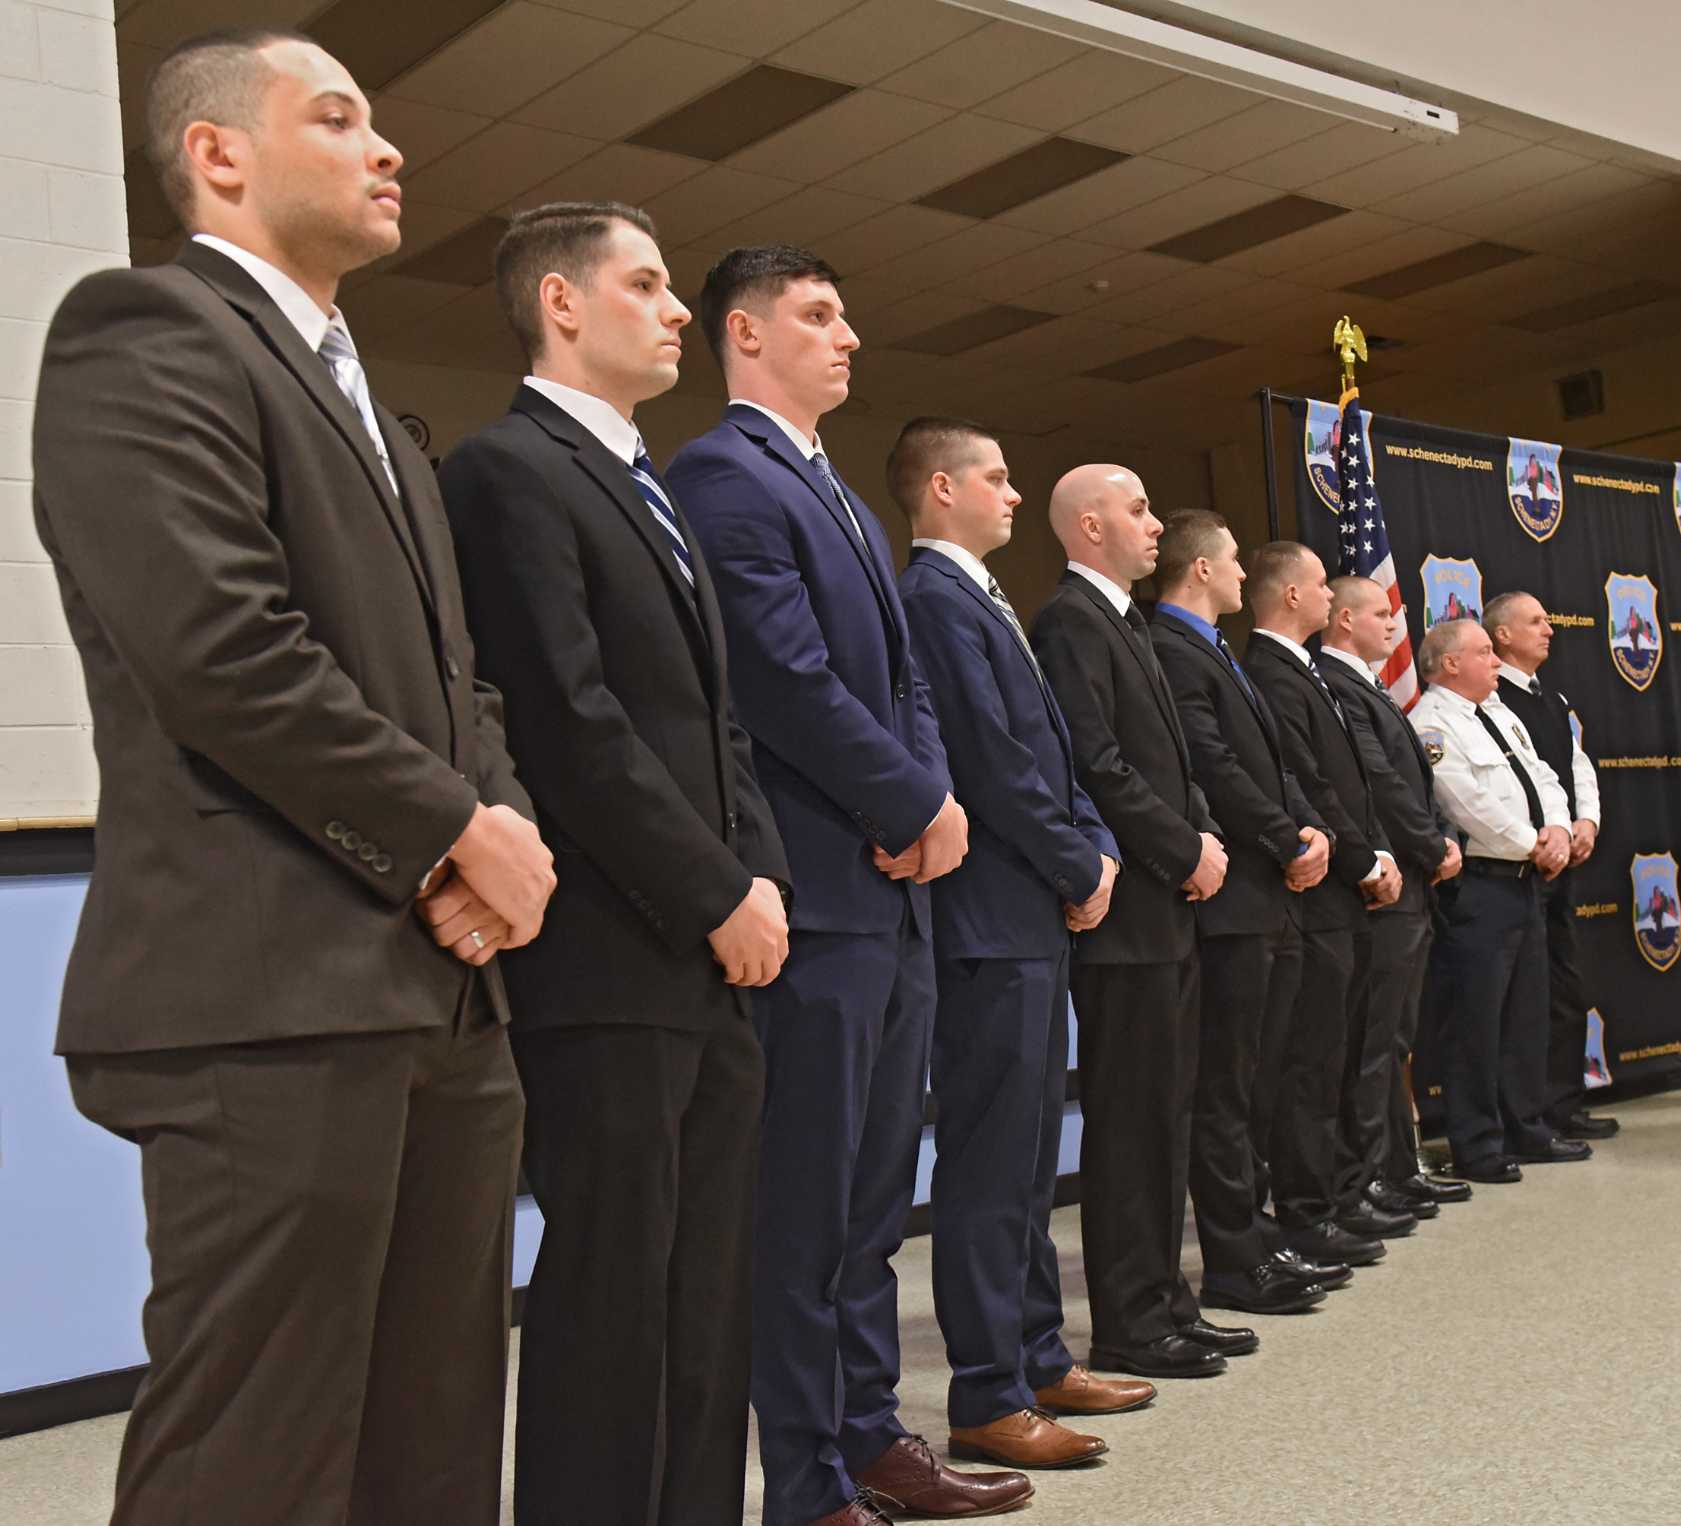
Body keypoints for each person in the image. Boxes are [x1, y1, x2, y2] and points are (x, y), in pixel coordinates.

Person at [30, 29, 556, 1523]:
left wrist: (501, 824)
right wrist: (456, 831)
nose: (389, 150)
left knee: (434, 1447)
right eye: (339, 118)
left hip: (442, 987)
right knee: (256, 1463)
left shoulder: (378, 410)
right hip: (270, 988)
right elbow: (220, 651)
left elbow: (466, 686)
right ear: (219, 155)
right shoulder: (144, 330)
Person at [437, 202, 792, 1525]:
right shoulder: (505, 472)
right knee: (611, 1310)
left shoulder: (653, 486)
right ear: (561, 304)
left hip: (710, 960)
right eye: (646, 282)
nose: (679, 309)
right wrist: (715, 893)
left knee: (708, 1309)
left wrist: (762, 886)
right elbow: (569, 723)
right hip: (610, 960)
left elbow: (717, 721)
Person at [666, 249, 1026, 1526]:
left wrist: (933, 802)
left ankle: (871, 1434)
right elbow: (782, 676)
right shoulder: (720, 475)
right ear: (744, 335)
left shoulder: (846, 500)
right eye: (819, 316)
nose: (848, 335)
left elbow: (905, 681)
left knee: (876, 1203)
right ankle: (806, 1478)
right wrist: (910, 804)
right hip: (815, 895)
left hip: (896, 890)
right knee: (806, 1209)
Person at [890, 418, 1155, 1471]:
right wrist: (1073, 862)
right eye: (995, 478)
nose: (1012, 493)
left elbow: (1054, 754)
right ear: (942, 488)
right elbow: (994, 764)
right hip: (988, 923)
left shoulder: (984, 598)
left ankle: (1037, 1353)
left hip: (1029, 915)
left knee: (1032, 1160)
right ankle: (986, 1393)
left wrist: (1090, 846)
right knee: (988, 1167)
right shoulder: (933, 598)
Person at [1031, 464, 1249, 1381]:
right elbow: (1100, 764)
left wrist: (1201, 827)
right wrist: (1182, 848)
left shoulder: (1127, 621)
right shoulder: (1069, 622)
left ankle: (1167, 1299)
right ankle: (1128, 1317)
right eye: (1136, 509)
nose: (1154, 524)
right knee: (1128, 1127)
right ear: (1088, 527)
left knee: (1169, 1113)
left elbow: (1171, 760)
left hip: (1169, 904)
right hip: (1127, 915)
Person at [1148, 512, 1350, 1316]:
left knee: (1258, 1081)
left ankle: (1256, 1231)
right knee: (1224, 1090)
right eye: (1232, 561)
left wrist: (1310, 828)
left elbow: (1273, 763)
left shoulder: (1216, 651)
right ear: (1200, 569)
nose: (1241, 574)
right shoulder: (1171, 647)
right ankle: (1233, 1257)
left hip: (1269, 891)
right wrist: (1279, 834)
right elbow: (1211, 762)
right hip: (1230, 897)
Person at [1240, 543, 1414, 1265]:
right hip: (1316, 892)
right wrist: (1359, 856)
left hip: (1343, 890)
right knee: (1310, 1067)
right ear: (1291, 597)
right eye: (1317, 585)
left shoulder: (1304, 670)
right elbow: (1308, 781)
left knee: (1340, 1055)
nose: (1327, 596)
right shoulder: (1273, 673)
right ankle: (1311, 1208)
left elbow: (1354, 785)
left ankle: (1343, 1189)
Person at [1407, 620, 1586, 1183]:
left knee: (1525, 1014)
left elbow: (1547, 779)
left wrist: (1556, 830)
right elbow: (1462, 799)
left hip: (1525, 881)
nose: (1494, 660)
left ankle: (1525, 1126)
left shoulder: (1502, 713)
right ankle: (1478, 1142)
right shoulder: (1432, 721)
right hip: (1480, 885)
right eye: (1484, 651)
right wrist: (1532, 843)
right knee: (1477, 1021)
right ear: (1450, 663)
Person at [1317, 576, 1472, 1216]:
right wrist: (1430, 845)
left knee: (1396, 1038)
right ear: (1345, 619)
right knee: (1374, 1039)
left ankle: (1399, 1166)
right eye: (1381, 614)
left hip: (1411, 877)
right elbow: (1377, 781)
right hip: (1387, 878)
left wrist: (1439, 834)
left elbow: (1413, 775)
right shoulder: (1336, 681)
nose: (1394, 624)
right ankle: (1370, 1172)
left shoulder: (1371, 684)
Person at [1482, 591, 1617, 1142]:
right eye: (1535, 621)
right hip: (1522, 863)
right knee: (1526, 998)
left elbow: (1574, 765)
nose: (1550, 629)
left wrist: (1585, 823)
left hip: (1565, 861)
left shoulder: (1553, 699)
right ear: (1503, 635)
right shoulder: (1492, 702)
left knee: (1566, 987)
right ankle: (1526, 1113)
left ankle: (1564, 1102)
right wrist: (1540, 837)